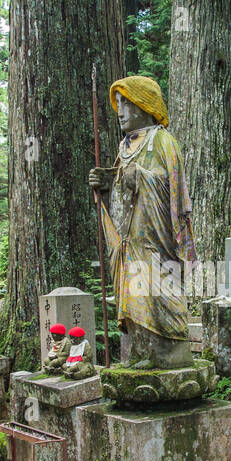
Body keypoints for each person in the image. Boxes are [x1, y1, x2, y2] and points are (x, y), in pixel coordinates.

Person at [88, 76, 197, 369]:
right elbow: (121, 193)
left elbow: (175, 187)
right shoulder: (125, 146)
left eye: (126, 104)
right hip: (130, 237)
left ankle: (167, 353)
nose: (120, 112)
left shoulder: (162, 140)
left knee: (156, 287)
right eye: (118, 105)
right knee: (133, 287)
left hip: (156, 237)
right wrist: (105, 185)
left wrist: (143, 178)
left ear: (144, 105)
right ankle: (140, 350)